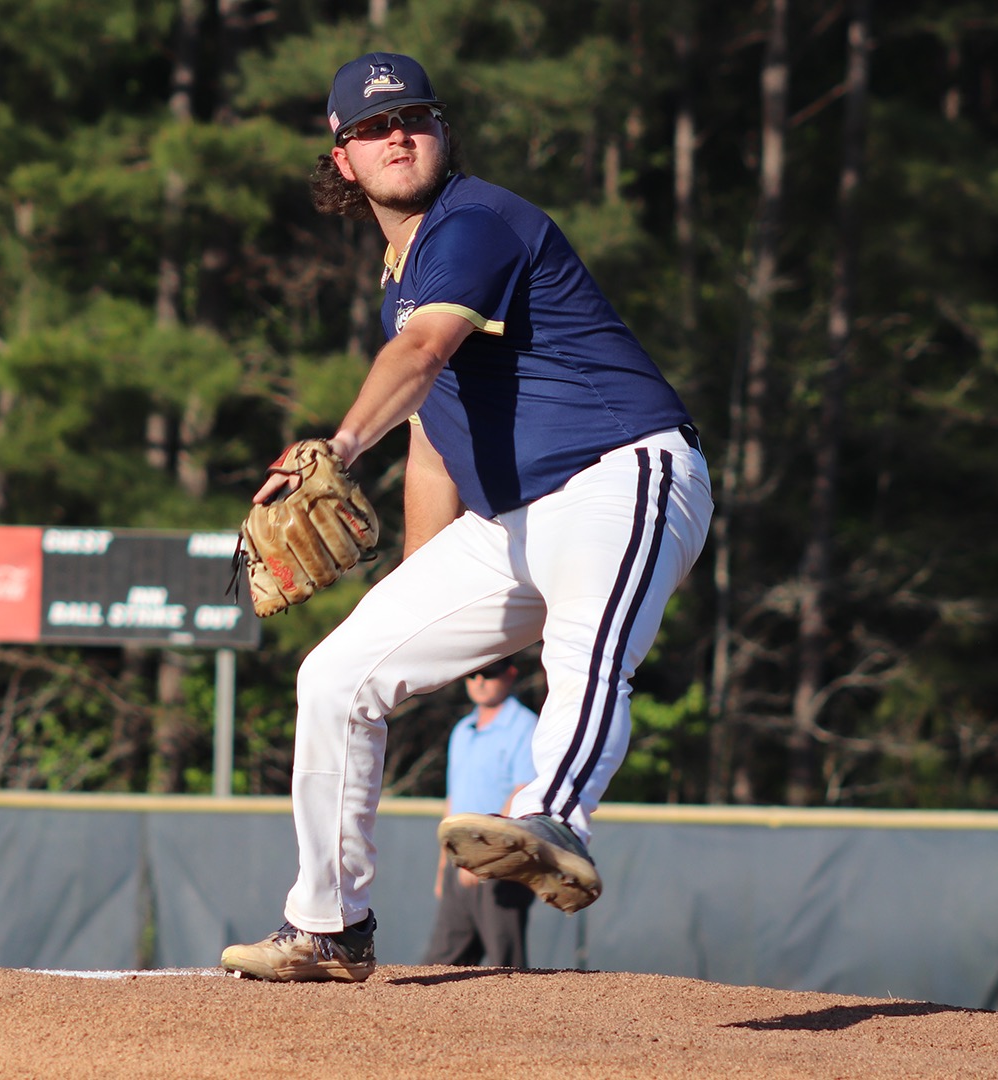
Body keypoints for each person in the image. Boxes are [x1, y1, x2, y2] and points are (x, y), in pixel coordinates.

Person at [220, 52, 712, 983]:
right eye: (372, 126)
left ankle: (553, 813)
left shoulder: (473, 222)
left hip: (623, 474)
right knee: (335, 678)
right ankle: (329, 925)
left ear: (443, 132)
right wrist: (416, 591)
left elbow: (424, 353)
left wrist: (339, 444)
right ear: (341, 159)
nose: (396, 133)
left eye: (414, 115)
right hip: (510, 522)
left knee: (584, 651)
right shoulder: (399, 271)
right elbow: (439, 441)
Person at [421, 657, 539, 968]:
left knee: (506, 964)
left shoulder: (525, 726)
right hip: (459, 862)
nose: (480, 680)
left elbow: (521, 794)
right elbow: (454, 799)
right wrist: (444, 862)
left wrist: (481, 856)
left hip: (502, 862)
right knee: (442, 964)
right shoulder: (463, 729)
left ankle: (523, 1019)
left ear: (510, 675)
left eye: (490, 672)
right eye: (473, 674)